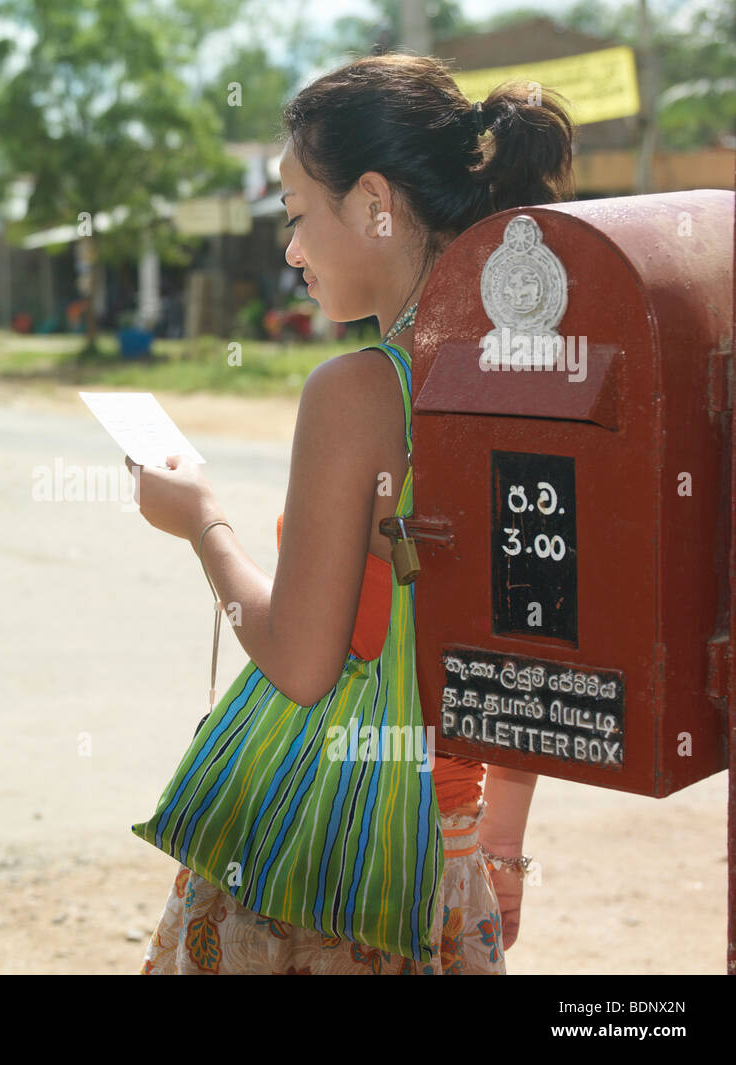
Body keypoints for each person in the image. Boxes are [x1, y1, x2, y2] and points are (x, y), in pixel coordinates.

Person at [126, 52, 574, 974]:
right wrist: (501, 844)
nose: (289, 250)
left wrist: (201, 521)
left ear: (374, 200)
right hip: (450, 858)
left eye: (296, 215)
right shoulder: (537, 372)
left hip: (329, 861)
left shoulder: (360, 392)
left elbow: (299, 660)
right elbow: (537, 641)